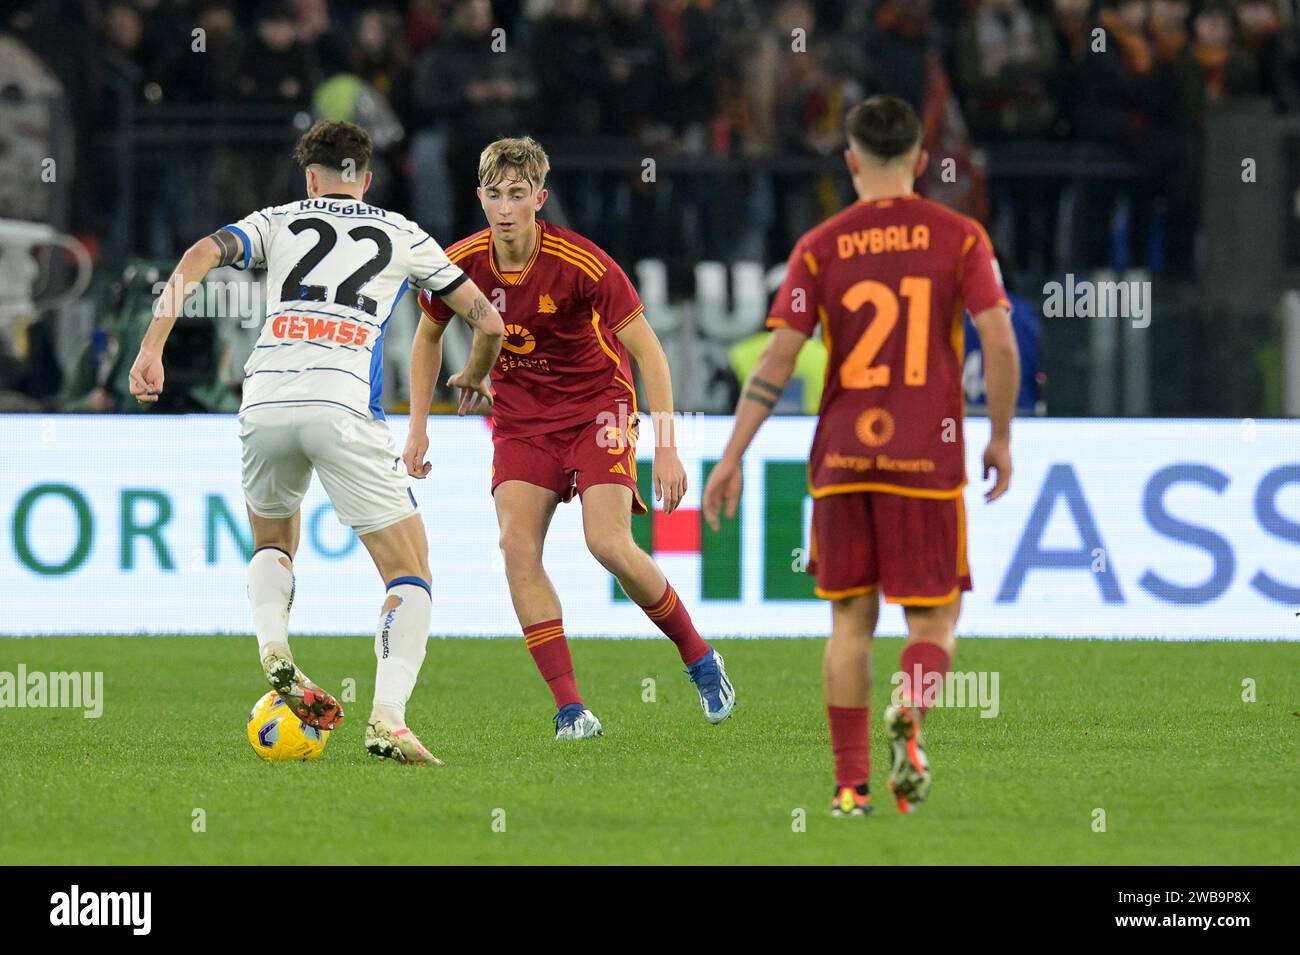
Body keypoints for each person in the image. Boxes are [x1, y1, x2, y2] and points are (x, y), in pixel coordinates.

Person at [128, 120, 504, 765]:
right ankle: (387, 718)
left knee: (273, 543)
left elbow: (196, 256)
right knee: (409, 571)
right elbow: (485, 317)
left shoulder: (278, 219)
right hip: (341, 404)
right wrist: (474, 370)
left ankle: (274, 645)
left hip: (265, 397)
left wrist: (151, 347)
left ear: (311, 177)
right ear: (369, 177)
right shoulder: (402, 232)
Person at [702, 96, 1019, 815]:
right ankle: (910, 706)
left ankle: (850, 789)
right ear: (918, 160)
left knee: (850, 623)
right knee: (933, 623)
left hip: (842, 460)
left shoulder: (820, 244)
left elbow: (776, 362)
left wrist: (731, 456)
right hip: (925, 459)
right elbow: (999, 341)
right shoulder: (960, 237)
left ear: (850, 162)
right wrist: (999, 434)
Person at [411, 136, 736, 740]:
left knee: (607, 543)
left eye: (518, 194)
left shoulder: (584, 263)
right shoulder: (459, 264)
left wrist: (666, 447)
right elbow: (427, 338)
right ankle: (570, 709)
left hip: (598, 410)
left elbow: (650, 355)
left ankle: (699, 657)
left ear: (540, 197)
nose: (505, 208)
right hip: (521, 421)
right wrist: (418, 430)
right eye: (495, 195)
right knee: (515, 547)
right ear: (479, 198)